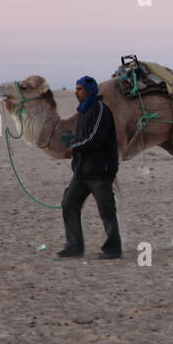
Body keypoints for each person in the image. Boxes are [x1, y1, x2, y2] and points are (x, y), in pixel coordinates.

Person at [55, 76, 121, 260]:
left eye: (80, 89)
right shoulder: (84, 111)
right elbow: (82, 138)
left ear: (89, 91)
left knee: (106, 211)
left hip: (100, 171)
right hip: (83, 172)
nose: (76, 92)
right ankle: (74, 246)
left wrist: (73, 149)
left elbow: (94, 139)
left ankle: (113, 249)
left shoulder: (100, 110)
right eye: (76, 89)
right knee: (69, 204)